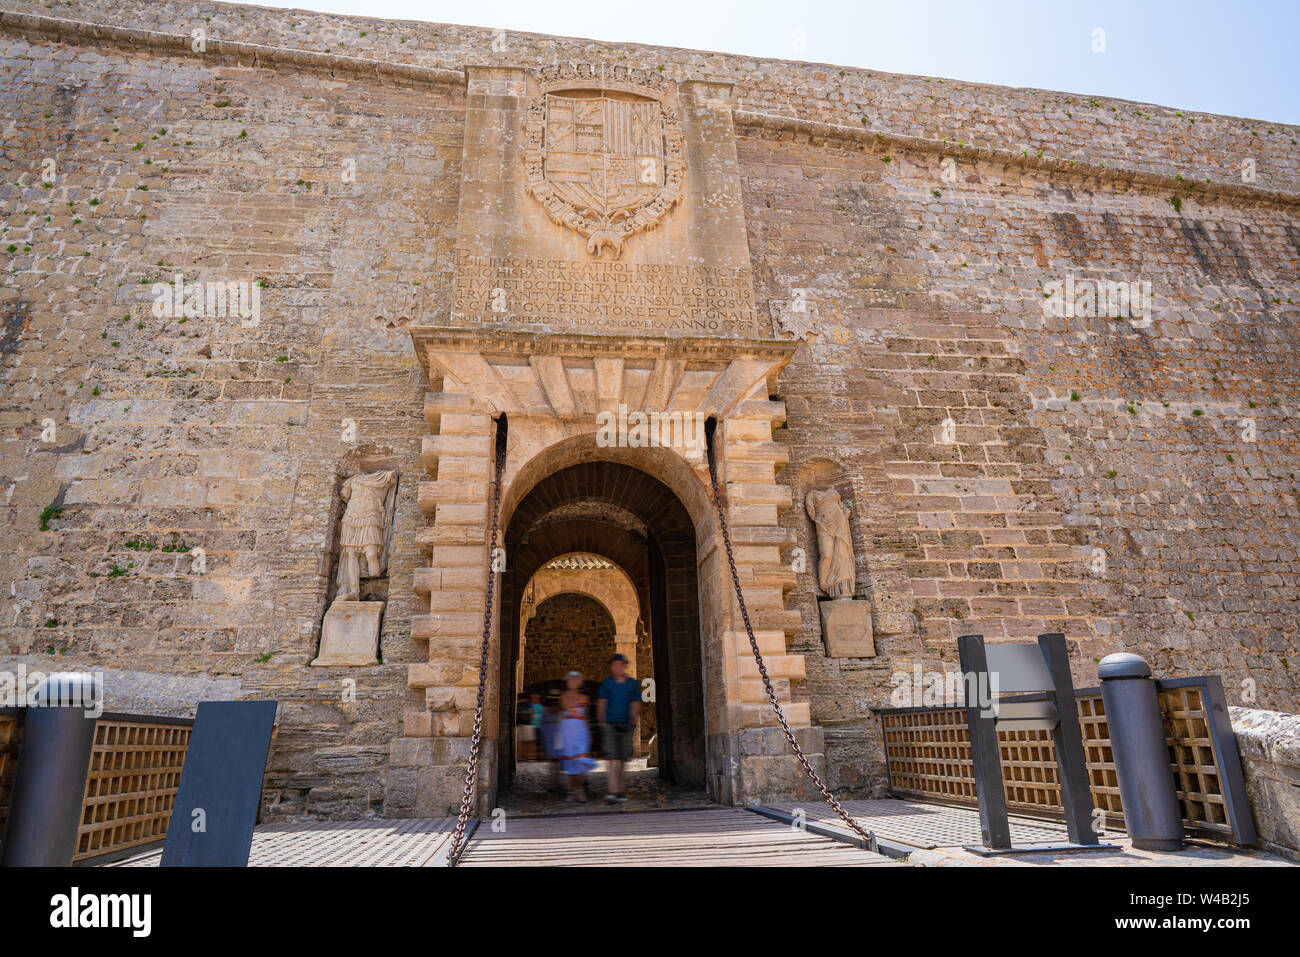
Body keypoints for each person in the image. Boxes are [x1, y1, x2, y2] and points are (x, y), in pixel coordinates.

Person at [597, 653, 641, 803]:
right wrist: (602, 722)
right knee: (611, 758)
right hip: (610, 725)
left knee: (623, 759)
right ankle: (612, 790)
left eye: (620, 664)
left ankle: (620, 791)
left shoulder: (632, 684)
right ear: (612, 667)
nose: (617, 667)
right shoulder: (607, 683)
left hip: (626, 725)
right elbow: (602, 703)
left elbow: (635, 704)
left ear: (624, 666)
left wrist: (634, 722)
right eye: (615, 664)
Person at [558, 671, 596, 803]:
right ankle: (571, 791)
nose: (573, 682)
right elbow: (563, 713)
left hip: (580, 732)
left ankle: (579, 790)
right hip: (568, 732)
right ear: (567, 682)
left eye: (575, 679)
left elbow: (586, 717)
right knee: (570, 764)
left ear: (580, 682)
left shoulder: (584, 699)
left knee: (580, 762)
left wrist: (589, 734)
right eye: (570, 679)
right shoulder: (563, 697)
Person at [515, 692, 536, 760]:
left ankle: (522, 756)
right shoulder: (528, 704)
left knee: (522, 742)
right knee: (530, 742)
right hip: (528, 724)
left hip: (520, 725)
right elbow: (532, 713)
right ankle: (530, 756)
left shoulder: (517, 704)